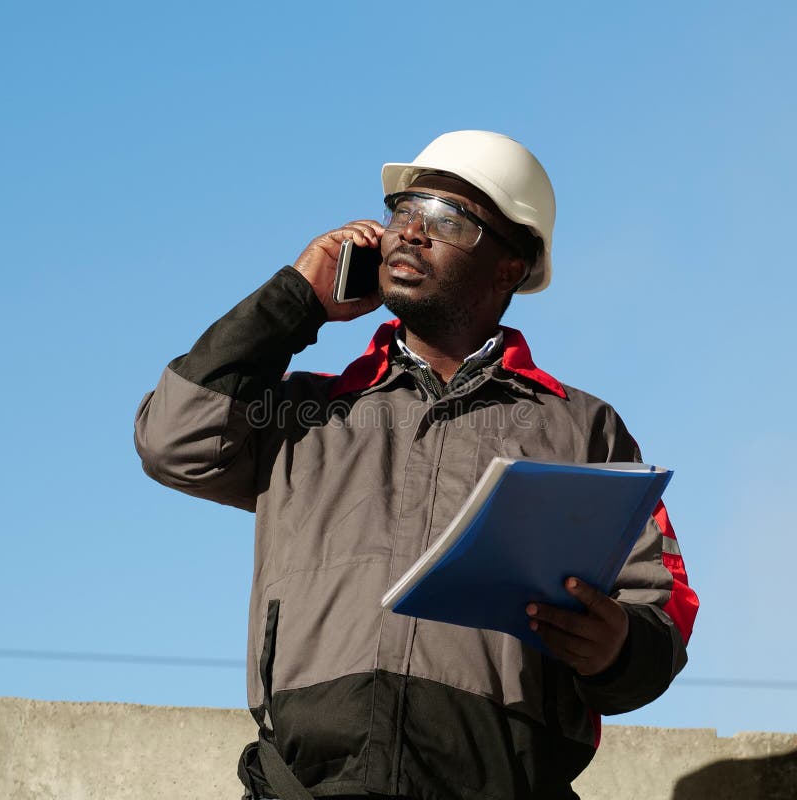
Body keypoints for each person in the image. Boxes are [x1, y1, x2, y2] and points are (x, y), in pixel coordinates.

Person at [134, 130, 699, 800]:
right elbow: (173, 440)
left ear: (509, 265)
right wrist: (295, 300)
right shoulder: (306, 412)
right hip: (305, 786)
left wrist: (618, 650)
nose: (411, 233)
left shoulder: (582, 427)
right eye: (404, 212)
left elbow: (663, 605)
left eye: (446, 220)